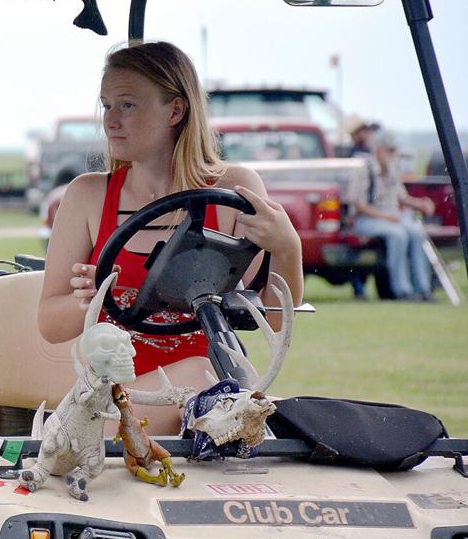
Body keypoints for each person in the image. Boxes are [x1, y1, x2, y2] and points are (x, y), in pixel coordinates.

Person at [39, 42, 304, 434]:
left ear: (176, 111)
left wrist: (287, 247)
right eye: (106, 105)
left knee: (225, 393)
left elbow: (275, 316)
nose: (110, 120)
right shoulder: (87, 196)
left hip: (211, 395)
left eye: (127, 105)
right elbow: (50, 323)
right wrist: (93, 299)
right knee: (211, 386)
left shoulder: (235, 191)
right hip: (114, 404)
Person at [350, 130, 436, 301]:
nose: (393, 154)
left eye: (394, 150)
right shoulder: (364, 170)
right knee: (398, 235)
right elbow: (358, 205)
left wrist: (421, 204)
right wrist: (385, 217)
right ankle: (401, 289)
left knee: (417, 233)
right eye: (389, 150)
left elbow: (401, 197)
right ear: (378, 150)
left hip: (392, 217)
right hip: (368, 220)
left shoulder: (393, 169)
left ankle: (423, 288)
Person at [343, 115, 380, 298]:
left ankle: (360, 288)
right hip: (358, 214)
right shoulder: (356, 157)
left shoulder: (367, 155)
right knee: (357, 255)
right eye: (364, 131)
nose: (369, 134)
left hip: (367, 213)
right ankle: (359, 288)